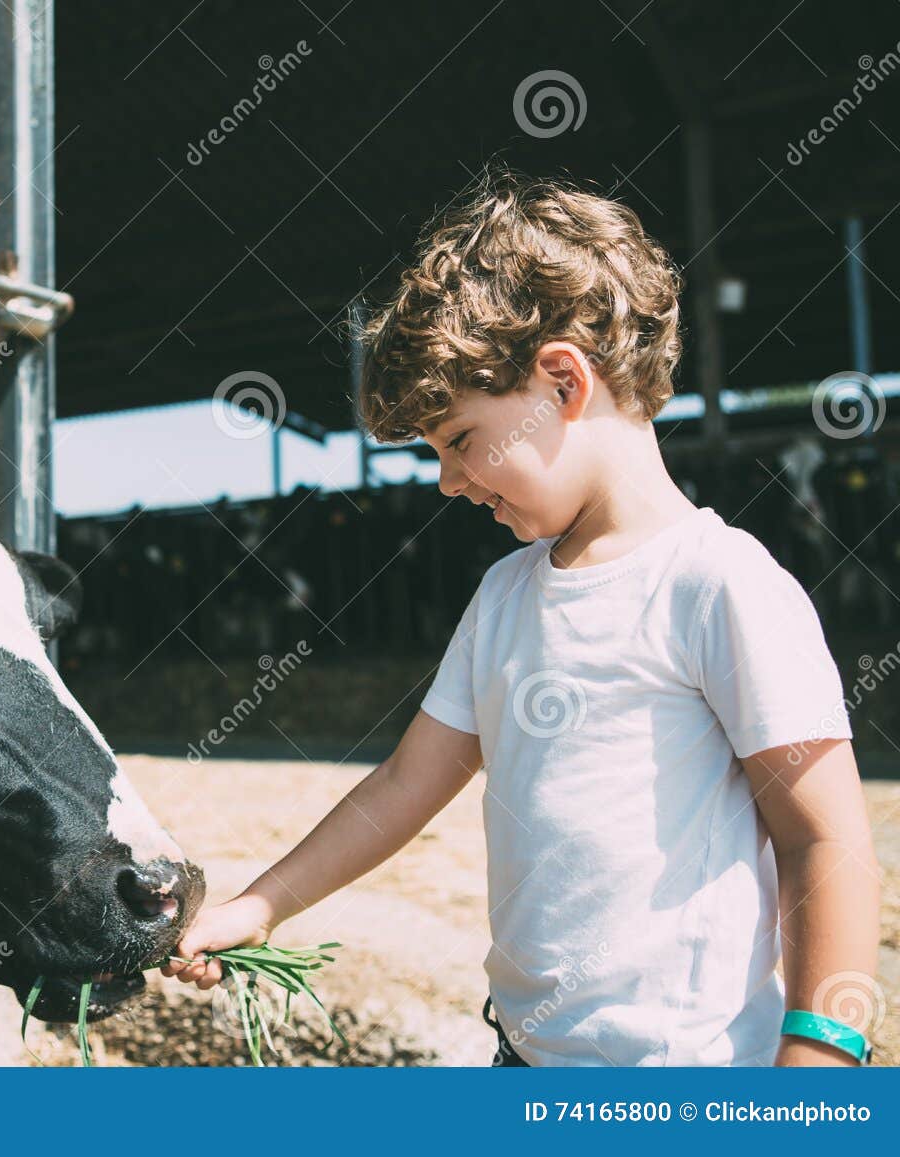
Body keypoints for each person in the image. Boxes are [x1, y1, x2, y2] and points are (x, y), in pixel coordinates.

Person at [161, 175, 881, 1067]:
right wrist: (259, 905)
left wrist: (820, 1059)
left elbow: (824, 839)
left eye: (461, 441)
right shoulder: (504, 596)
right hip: (522, 1061)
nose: (447, 482)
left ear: (563, 380)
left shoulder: (717, 585)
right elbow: (402, 785)